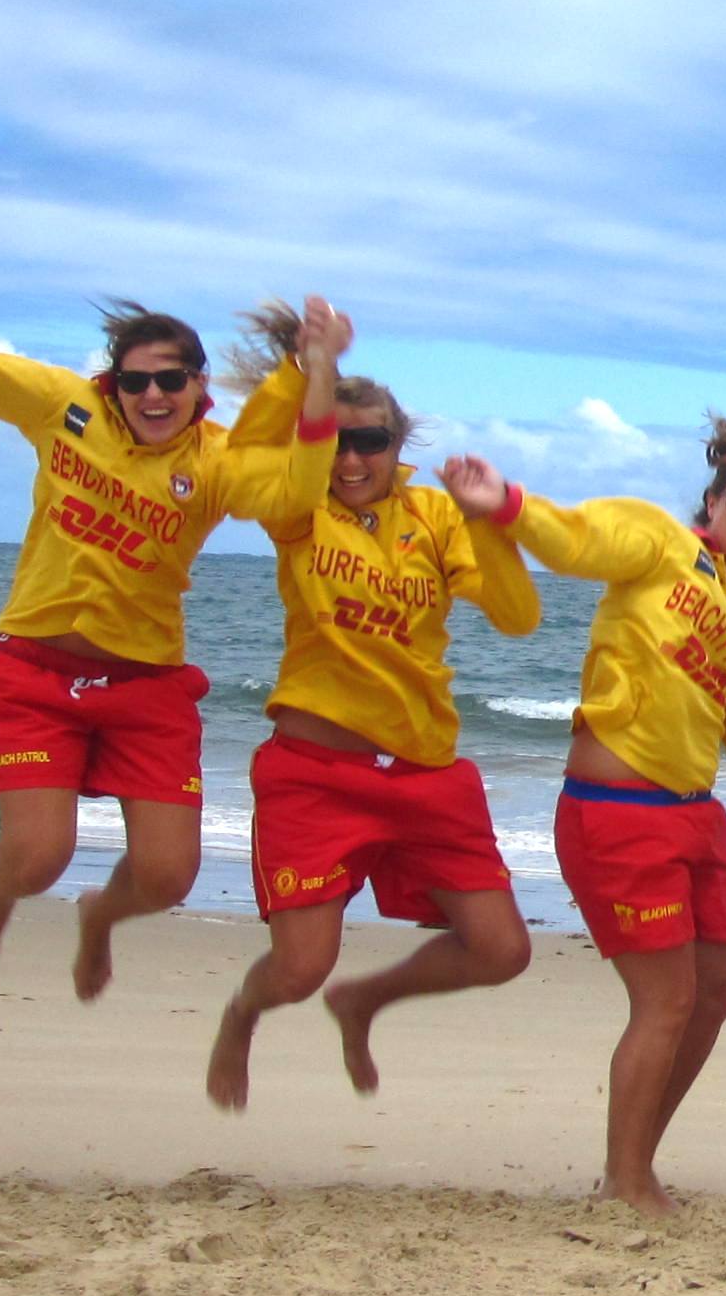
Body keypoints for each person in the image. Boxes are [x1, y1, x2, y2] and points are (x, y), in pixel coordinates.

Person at [0, 242, 347, 995]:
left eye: (169, 381)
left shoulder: (220, 462)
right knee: (37, 858)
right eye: (136, 382)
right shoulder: (62, 409)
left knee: (166, 878)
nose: (152, 397)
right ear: (112, 383)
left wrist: (317, 375)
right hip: (34, 671)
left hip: (145, 686)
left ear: (198, 388)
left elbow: (293, 495)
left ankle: (100, 919)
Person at [443, 418, 726, 1214]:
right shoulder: (660, 545)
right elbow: (579, 539)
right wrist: (506, 506)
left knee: (716, 992)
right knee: (664, 1001)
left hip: (696, 819)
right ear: (713, 497)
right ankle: (626, 1181)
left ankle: (633, 1162)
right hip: (616, 811)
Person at [201, 313, 542, 1112]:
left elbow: (519, 615)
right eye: (341, 442)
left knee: (502, 951)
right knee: (297, 968)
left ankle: (366, 1002)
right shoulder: (298, 509)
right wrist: (312, 368)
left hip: (423, 772)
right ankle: (242, 1015)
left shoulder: (431, 516)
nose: (354, 460)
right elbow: (282, 459)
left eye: (373, 443)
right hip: (315, 774)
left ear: (399, 446)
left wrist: (490, 520)